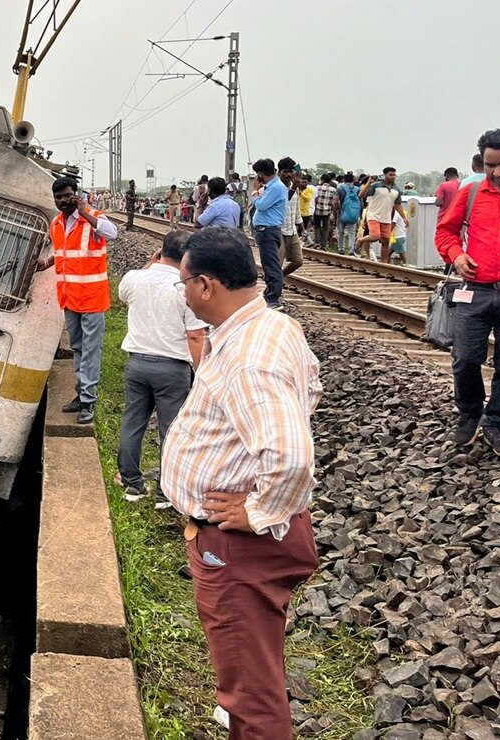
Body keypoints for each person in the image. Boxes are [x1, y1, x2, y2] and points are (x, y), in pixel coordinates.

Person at [162, 227, 320, 740]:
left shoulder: (249, 359)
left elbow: (290, 456)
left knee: (250, 695)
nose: (183, 293)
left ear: (206, 285)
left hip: (238, 548)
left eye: (184, 282)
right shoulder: (272, 325)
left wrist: (258, 510)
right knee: (253, 666)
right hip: (239, 544)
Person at [434, 128, 500, 457]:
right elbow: (445, 232)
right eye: (491, 165)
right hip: (474, 291)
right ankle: (470, 415)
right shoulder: (472, 193)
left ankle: (496, 422)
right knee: (464, 359)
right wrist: (456, 256)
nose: (498, 172)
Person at [115, 230, 206, 506]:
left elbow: (124, 294)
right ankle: (164, 492)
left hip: (137, 363)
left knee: (133, 422)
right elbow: (196, 336)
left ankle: (132, 485)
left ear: (160, 250)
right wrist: (202, 372)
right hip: (172, 368)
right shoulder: (185, 288)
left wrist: (151, 263)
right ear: (188, 257)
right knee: (171, 429)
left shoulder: (134, 278)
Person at [37, 176, 117, 425]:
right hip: (69, 298)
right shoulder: (56, 224)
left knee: (91, 350)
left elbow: (112, 233)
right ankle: (81, 394)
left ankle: (88, 400)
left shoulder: (92, 218)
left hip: (92, 298)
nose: (63, 201)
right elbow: (64, 253)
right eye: (58, 197)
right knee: (79, 348)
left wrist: (84, 213)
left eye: (67, 195)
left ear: (77, 194)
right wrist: (47, 263)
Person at [251, 158, 286, 307]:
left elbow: (261, 205)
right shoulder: (271, 187)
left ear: (260, 174)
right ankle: (269, 293)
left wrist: (255, 192)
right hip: (266, 230)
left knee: (271, 264)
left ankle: (273, 298)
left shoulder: (275, 187)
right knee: (268, 263)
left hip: (268, 230)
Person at [355, 167, 408, 264]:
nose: (392, 177)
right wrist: (368, 183)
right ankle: (360, 240)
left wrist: (404, 218)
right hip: (373, 215)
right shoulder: (376, 186)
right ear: (385, 175)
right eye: (390, 175)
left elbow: (397, 205)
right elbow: (362, 195)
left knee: (386, 241)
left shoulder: (396, 189)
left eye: (394, 175)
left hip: (386, 218)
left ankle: (384, 263)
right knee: (375, 235)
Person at [278, 158, 304, 278]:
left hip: (291, 229)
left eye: (290, 172)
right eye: (285, 171)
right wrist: (295, 186)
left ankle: (279, 278)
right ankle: (274, 284)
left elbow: (296, 208)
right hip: (278, 229)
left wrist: (301, 226)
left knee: (298, 261)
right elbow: (284, 200)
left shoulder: (295, 187)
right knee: (278, 261)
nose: (288, 175)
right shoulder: (277, 187)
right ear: (279, 172)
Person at [337, 173, 362, 255]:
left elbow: (336, 201)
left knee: (341, 231)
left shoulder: (340, 188)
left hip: (342, 212)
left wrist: (334, 212)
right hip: (353, 213)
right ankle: (351, 249)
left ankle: (341, 248)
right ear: (353, 180)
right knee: (352, 232)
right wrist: (359, 214)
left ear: (344, 180)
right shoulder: (357, 189)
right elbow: (360, 203)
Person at [312, 173, 337, 249]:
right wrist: (332, 211)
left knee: (317, 226)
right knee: (326, 228)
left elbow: (315, 199)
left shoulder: (317, 188)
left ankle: (317, 242)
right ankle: (324, 245)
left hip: (317, 210)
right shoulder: (333, 190)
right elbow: (334, 202)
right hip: (327, 211)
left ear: (322, 180)